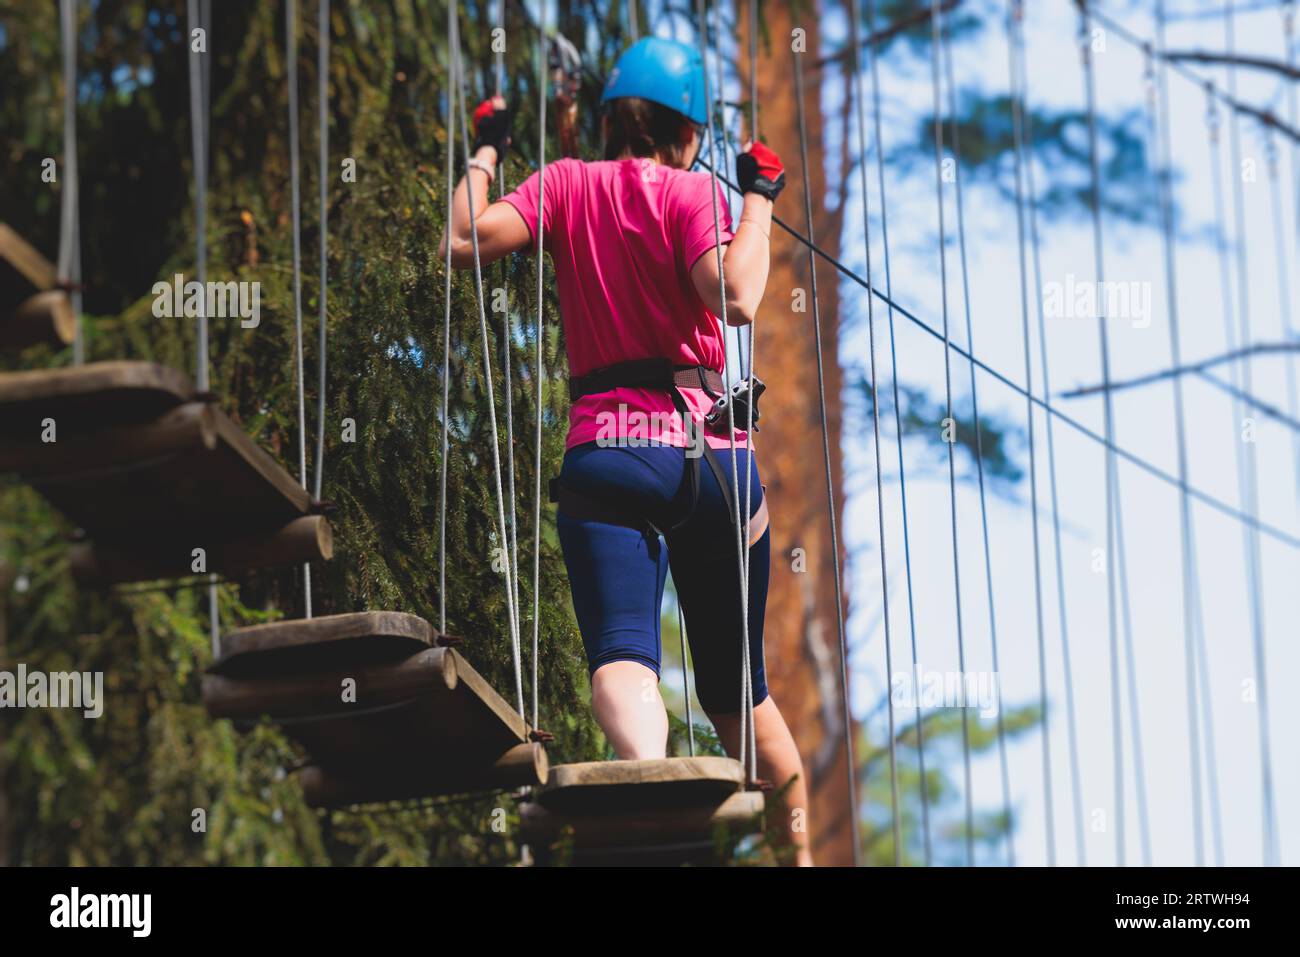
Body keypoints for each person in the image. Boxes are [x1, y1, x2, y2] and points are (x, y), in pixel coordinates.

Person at [441, 36, 812, 866]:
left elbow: (462, 242)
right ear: (687, 135)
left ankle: (649, 790)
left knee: (624, 657)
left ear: (613, 120)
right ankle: (801, 860)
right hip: (710, 454)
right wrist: (757, 199)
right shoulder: (693, 192)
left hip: (610, 452)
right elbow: (737, 294)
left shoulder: (567, 185)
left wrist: (487, 147)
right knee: (740, 697)